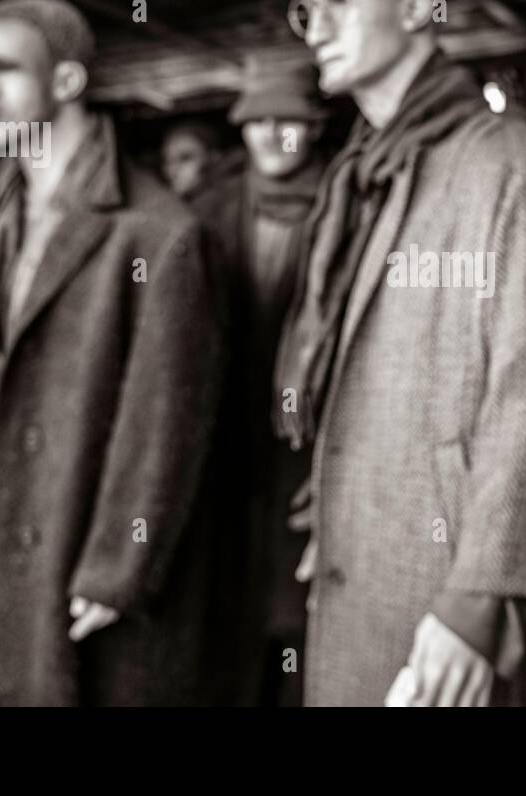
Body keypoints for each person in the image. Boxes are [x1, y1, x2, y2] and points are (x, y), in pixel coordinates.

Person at [276, 0, 526, 706]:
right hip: (361, 556)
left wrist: (484, 597)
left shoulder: (513, 165)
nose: (318, 25)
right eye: (308, 7)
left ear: (416, 8)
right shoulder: (362, 173)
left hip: (442, 590)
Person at [0, 0, 224, 706]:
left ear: (69, 80)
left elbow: (167, 416)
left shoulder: (157, 233)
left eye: (5, 68)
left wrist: (121, 563)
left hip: (77, 557)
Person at [192, 52, 328, 707]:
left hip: (309, 452)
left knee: (303, 621)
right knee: (223, 614)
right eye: (258, 121)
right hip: (219, 446)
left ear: (317, 126)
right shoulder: (205, 212)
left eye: (290, 120)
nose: (273, 135)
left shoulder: (347, 205)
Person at [159, 119, 245, 202]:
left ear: (213, 157)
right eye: (167, 161)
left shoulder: (234, 196)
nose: (172, 170)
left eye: (185, 158)